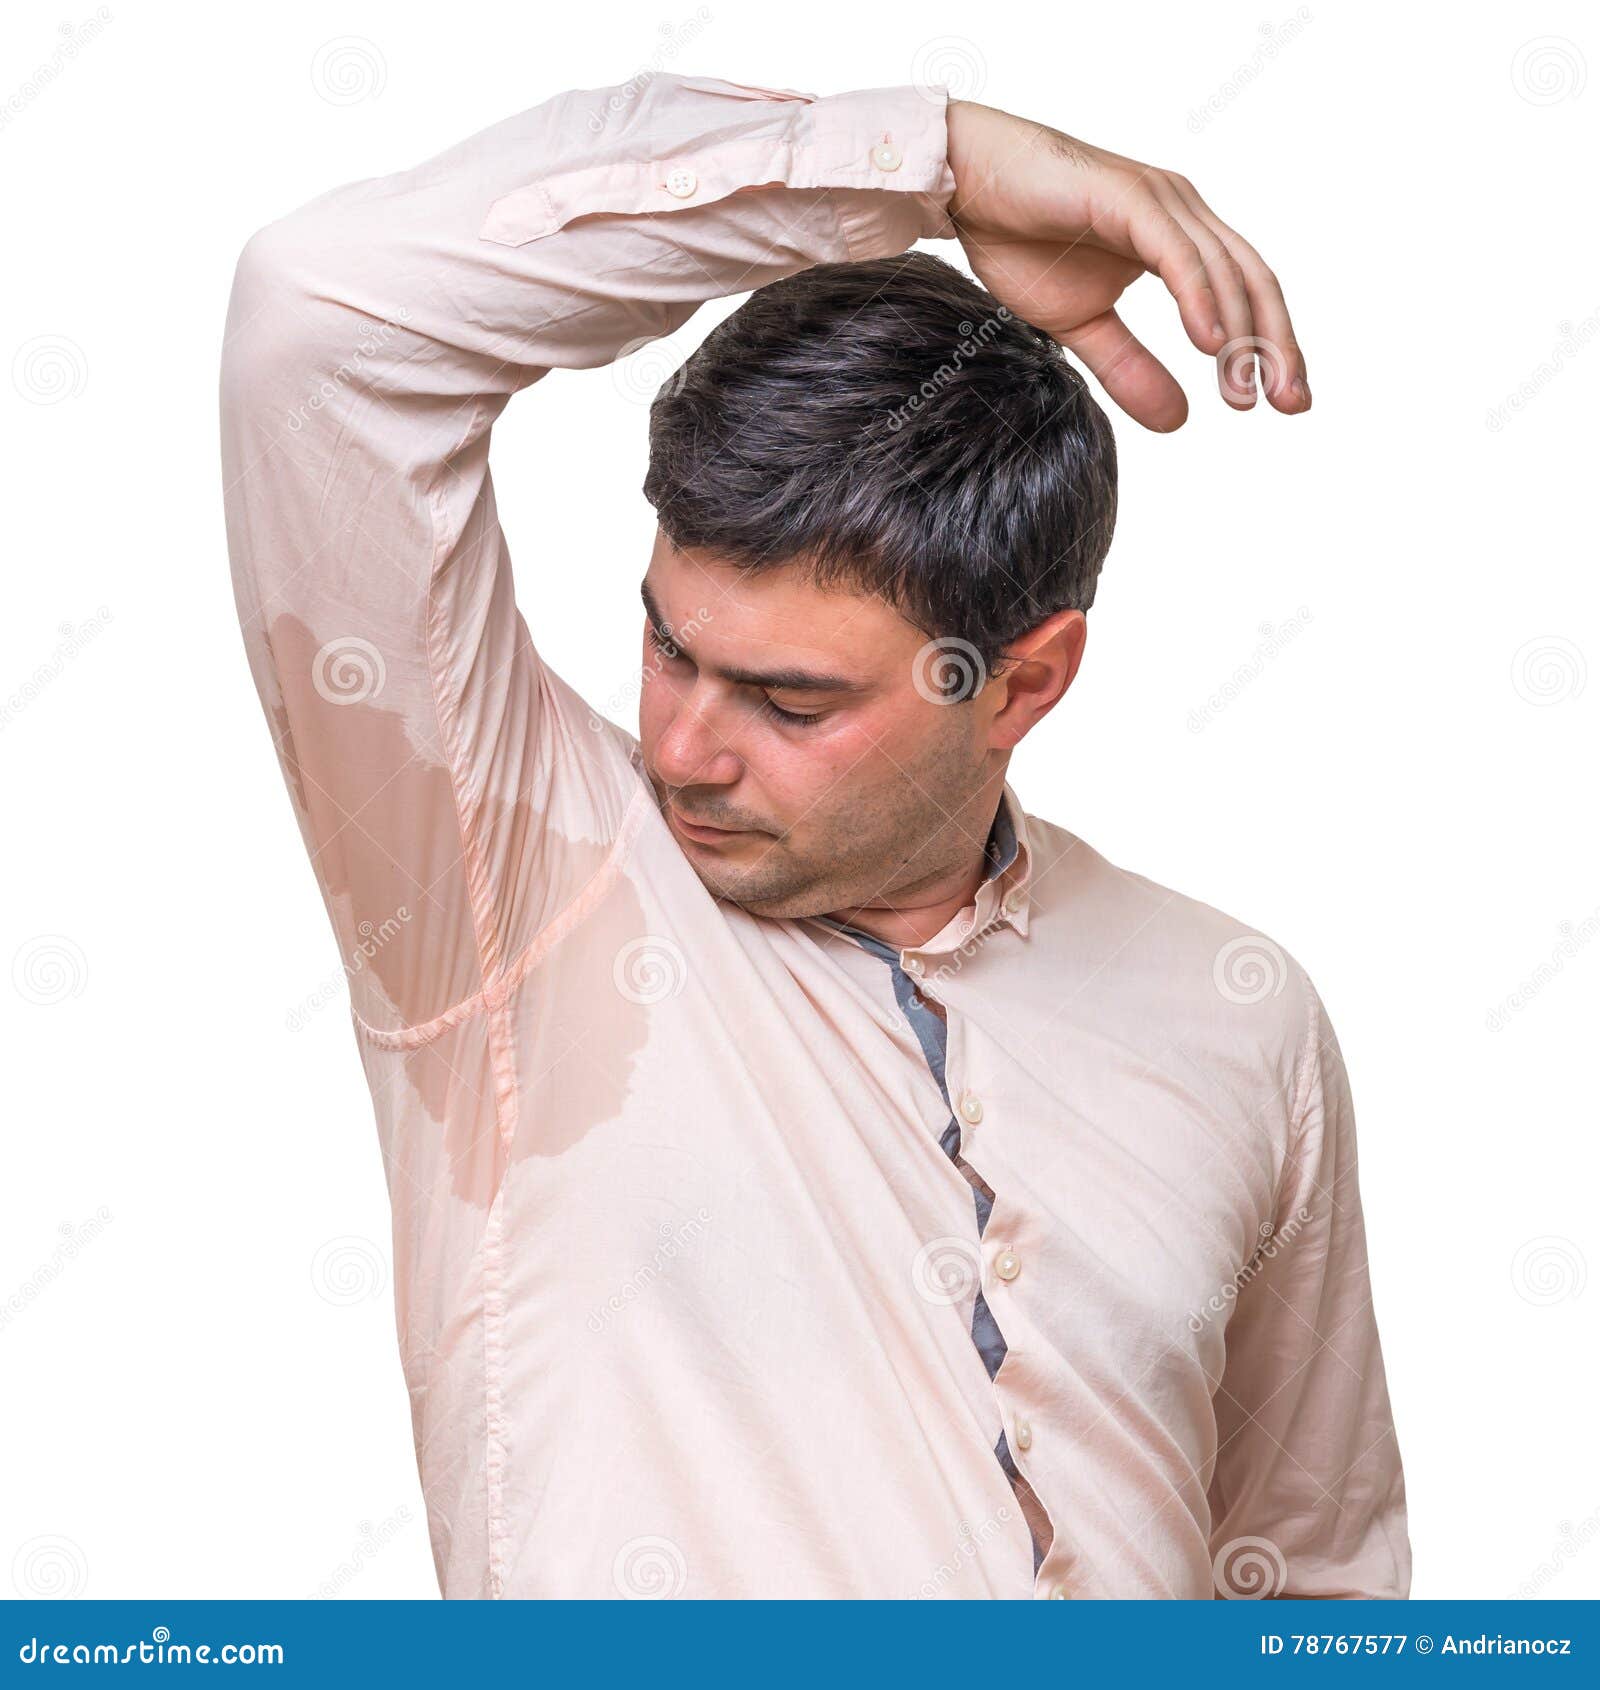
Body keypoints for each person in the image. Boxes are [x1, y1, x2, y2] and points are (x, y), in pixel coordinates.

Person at [219, 71, 1407, 1599]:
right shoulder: (508, 876)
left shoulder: (1240, 1018)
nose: (682, 745)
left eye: (790, 700)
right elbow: (319, 317)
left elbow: (1312, 1577)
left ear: (1021, 680)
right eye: (667, 647)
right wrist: (940, 166)